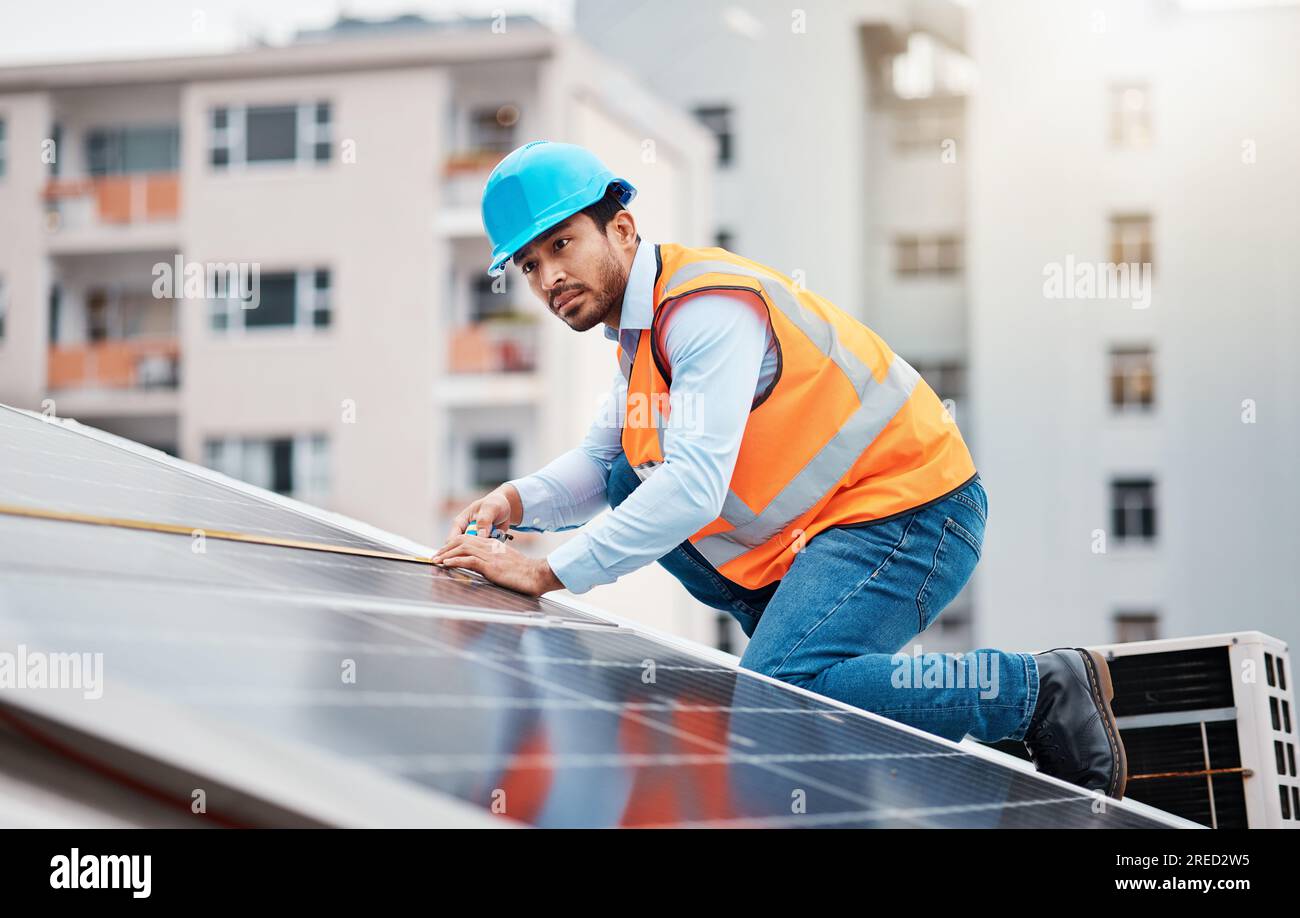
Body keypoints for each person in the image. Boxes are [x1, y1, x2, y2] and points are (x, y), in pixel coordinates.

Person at [432, 140, 1127, 799]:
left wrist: (547, 572)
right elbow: (600, 464)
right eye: (528, 264)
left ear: (620, 228)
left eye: (562, 244)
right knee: (629, 481)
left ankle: (1036, 691)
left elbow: (696, 485)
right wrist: (514, 504)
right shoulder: (641, 341)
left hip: (914, 508)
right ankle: (805, 646)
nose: (550, 276)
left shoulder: (703, 308)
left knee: (780, 693)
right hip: (835, 530)